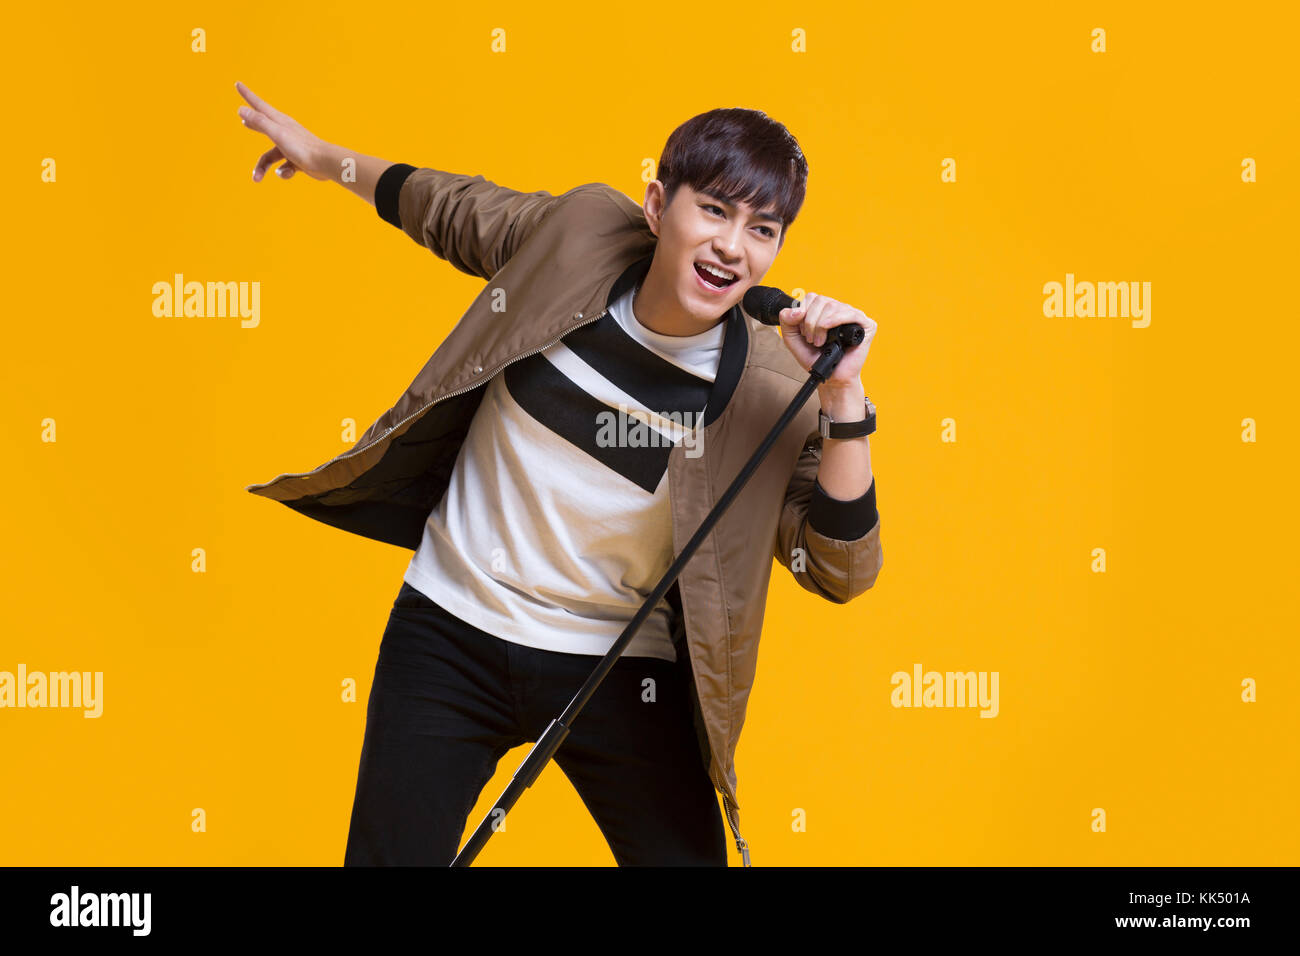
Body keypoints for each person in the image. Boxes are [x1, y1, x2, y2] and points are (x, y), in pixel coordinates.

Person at [237, 82, 884, 866]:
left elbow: (840, 567)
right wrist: (323, 159)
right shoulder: (577, 238)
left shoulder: (778, 383)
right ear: (656, 204)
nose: (732, 246)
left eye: (763, 229)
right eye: (713, 210)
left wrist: (844, 396)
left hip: (619, 669)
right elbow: (448, 207)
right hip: (453, 626)